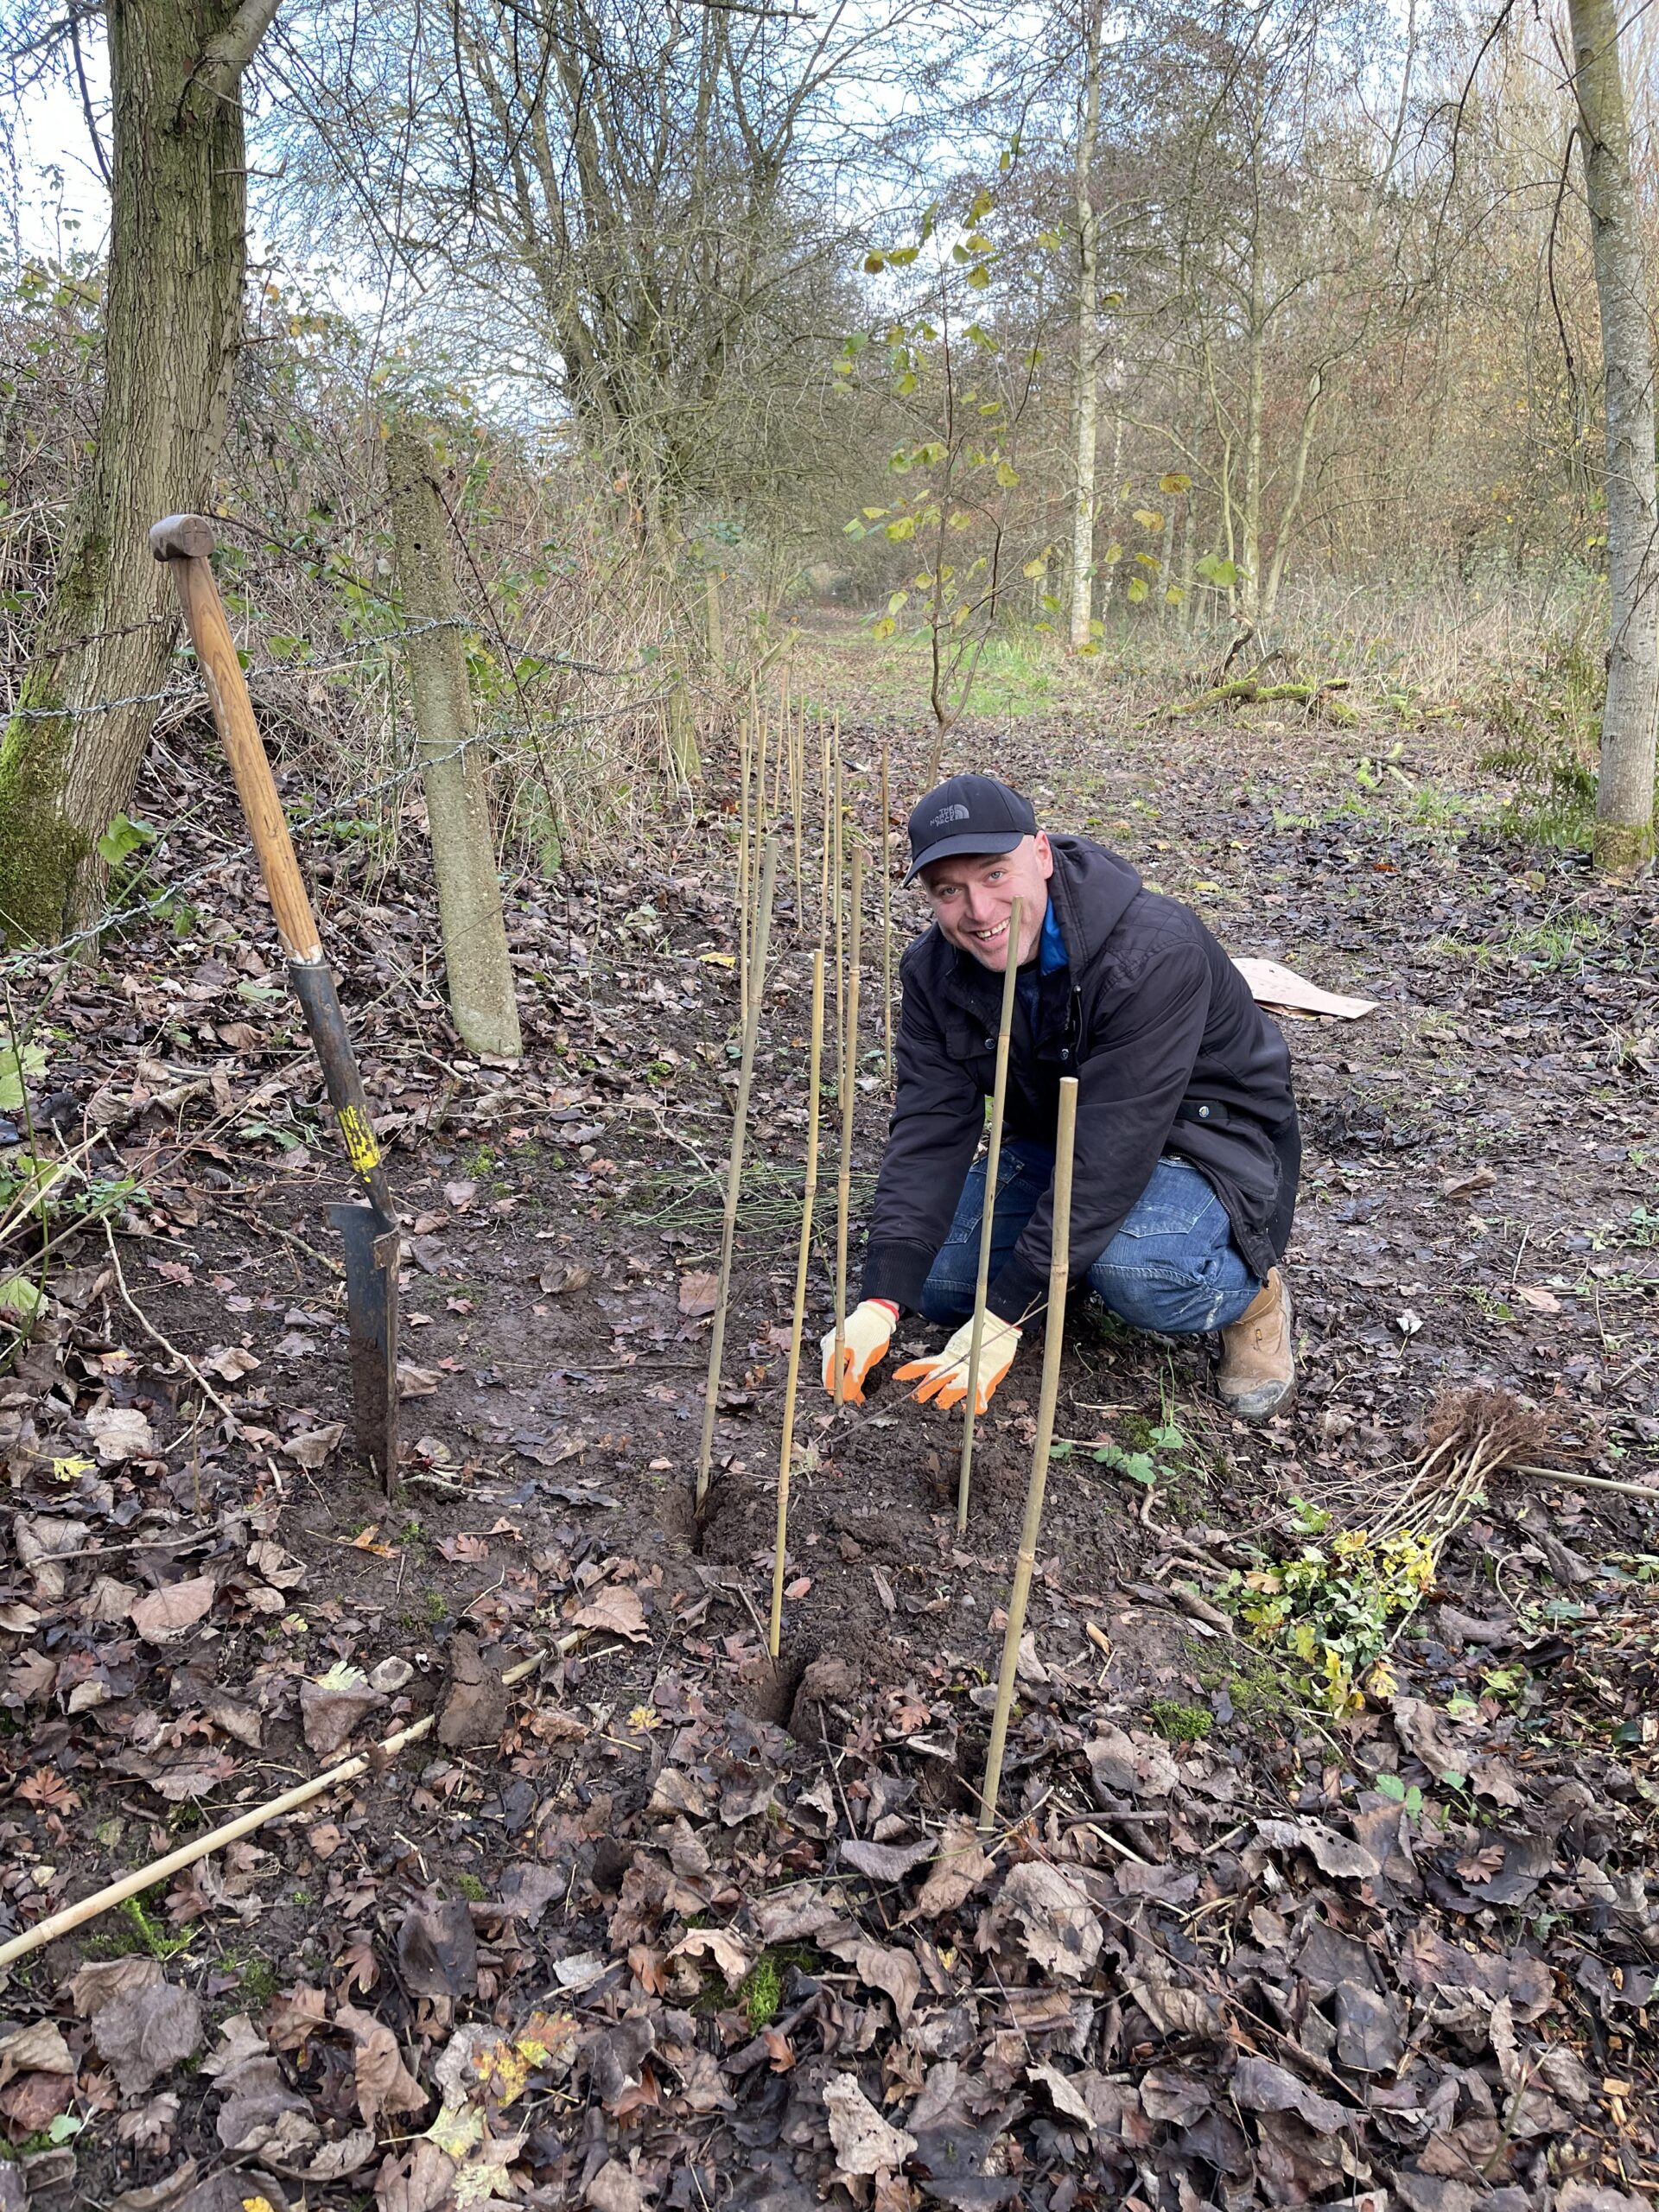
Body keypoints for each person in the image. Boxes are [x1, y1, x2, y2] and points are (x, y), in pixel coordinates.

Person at [819, 772, 1300, 1422]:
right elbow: (929, 1129)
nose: (979, 912)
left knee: (1140, 1269)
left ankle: (1254, 1298)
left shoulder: (1154, 952)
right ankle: (1066, 1270)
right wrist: (880, 1301)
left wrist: (1003, 1315)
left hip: (1205, 1142)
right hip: (1059, 1139)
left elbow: (1113, 1151)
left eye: (995, 874)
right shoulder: (934, 973)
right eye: (949, 891)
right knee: (930, 1279)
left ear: (1041, 854)